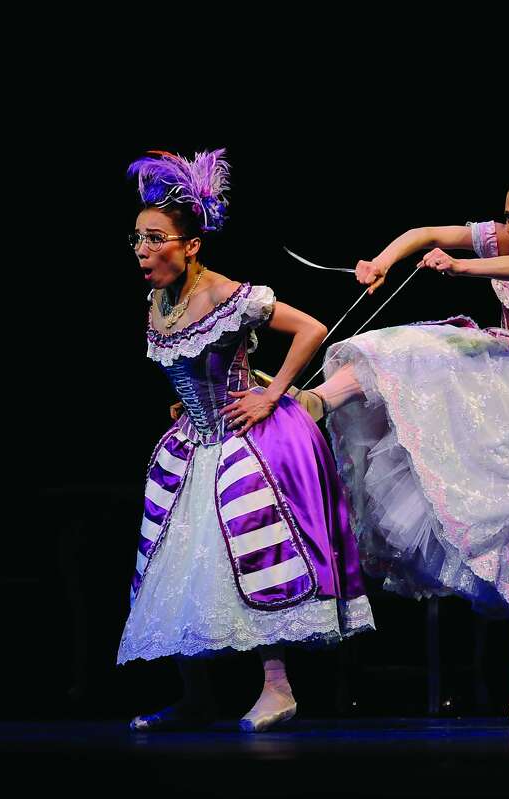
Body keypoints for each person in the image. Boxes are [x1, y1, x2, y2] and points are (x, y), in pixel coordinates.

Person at [298, 114, 509, 725]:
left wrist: (461, 267)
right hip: (502, 374)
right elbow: (422, 232)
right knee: (414, 348)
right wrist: (381, 262)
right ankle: (316, 402)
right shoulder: (505, 238)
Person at [117, 149, 374, 732]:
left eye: (155, 239)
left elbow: (311, 328)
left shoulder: (227, 295)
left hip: (242, 440)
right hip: (192, 443)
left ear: (191, 246)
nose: (142, 250)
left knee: (253, 553)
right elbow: (185, 359)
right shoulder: (158, 298)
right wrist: (188, 396)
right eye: (136, 239)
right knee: (179, 560)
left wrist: (271, 394)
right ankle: (195, 695)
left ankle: (277, 689)